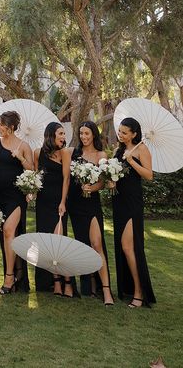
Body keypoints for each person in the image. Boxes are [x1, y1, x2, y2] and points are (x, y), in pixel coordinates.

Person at [67, 121, 113, 305]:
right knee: (84, 244)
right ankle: (89, 286)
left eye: (87, 133)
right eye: (81, 134)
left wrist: (91, 188)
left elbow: (103, 182)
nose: (84, 137)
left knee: (97, 244)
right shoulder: (74, 153)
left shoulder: (101, 155)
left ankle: (106, 291)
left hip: (92, 203)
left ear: (94, 134)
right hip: (75, 204)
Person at [112, 117, 156, 308]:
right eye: (120, 131)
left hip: (132, 203)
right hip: (118, 201)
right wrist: (110, 180)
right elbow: (115, 175)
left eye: (124, 132)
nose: (120, 134)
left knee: (129, 246)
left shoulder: (142, 149)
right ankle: (129, 288)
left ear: (134, 134)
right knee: (123, 248)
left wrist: (132, 160)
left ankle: (139, 292)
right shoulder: (118, 150)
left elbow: (149, 175)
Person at [0, 111, 33, 294]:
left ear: (12, 126)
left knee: (8, 231)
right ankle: (13, 275)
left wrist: (20, 157)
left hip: (16, 197)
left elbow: (31, 169)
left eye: (2, 125)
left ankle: (9, 278)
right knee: (6, 235)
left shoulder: (24, 145)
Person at [34, 121, 76, 297]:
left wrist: (63, 202)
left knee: (60, 243)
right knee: (47, 243)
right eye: (60, 134)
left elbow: (66, 179)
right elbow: (36, 177)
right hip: (43, 203)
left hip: (58, 203)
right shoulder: (38, 153)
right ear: (51, 135)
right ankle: (55, 282)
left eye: (64, 134)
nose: (63, 137)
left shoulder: (65, 153)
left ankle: (67, 282)